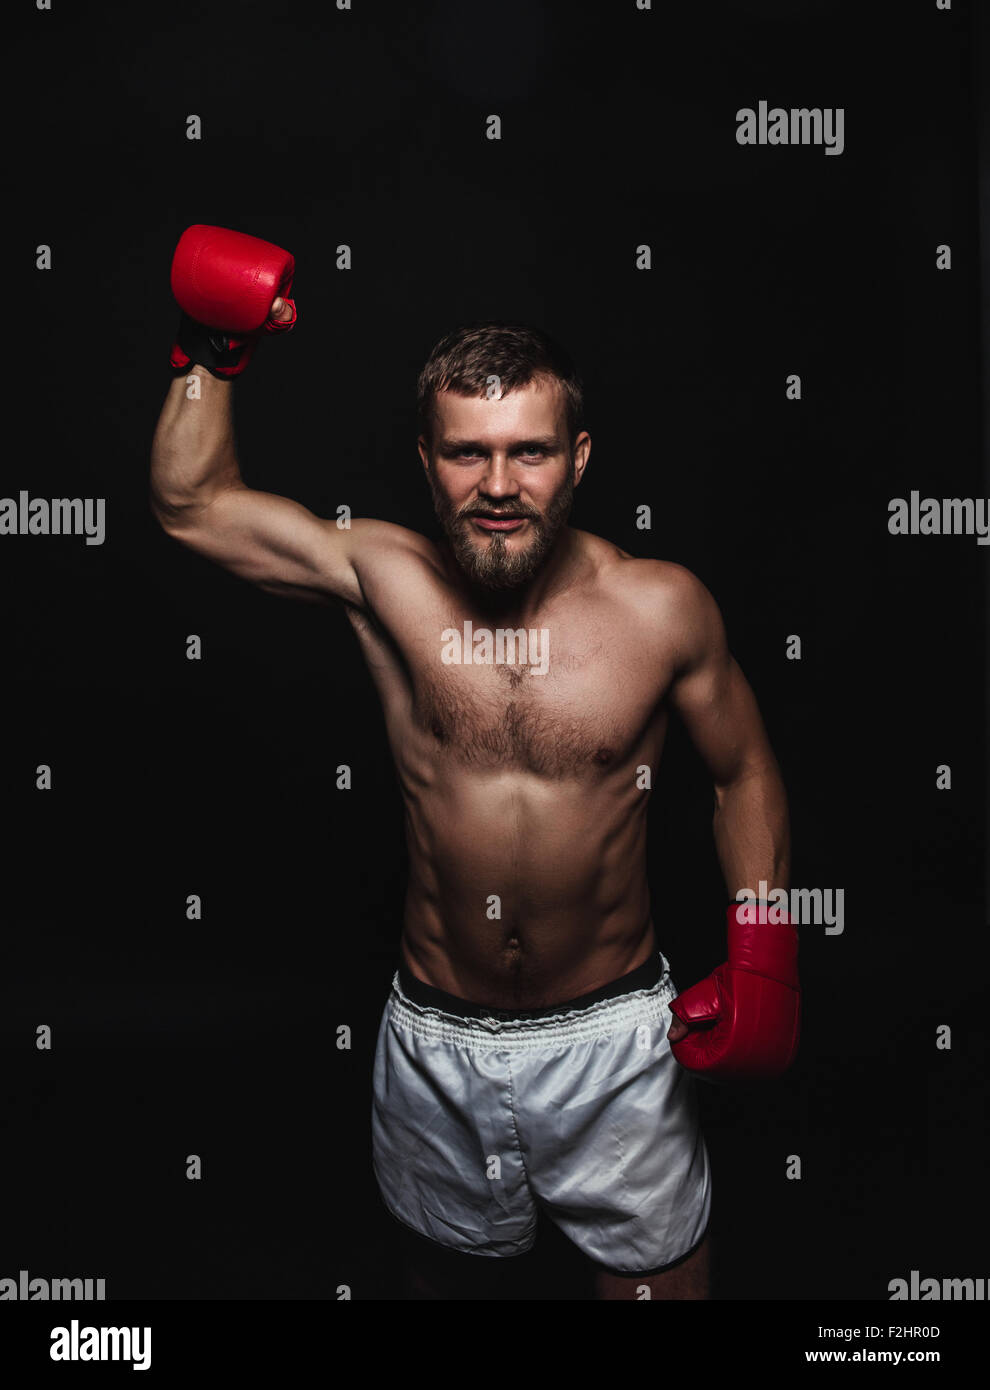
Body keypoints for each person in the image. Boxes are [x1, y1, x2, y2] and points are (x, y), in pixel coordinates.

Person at [151, 225, 800, 1301]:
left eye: (531, 452)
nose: (499, 485)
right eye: (467, 452)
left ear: (578, 459)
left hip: (615, 1049)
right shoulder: (383, 577)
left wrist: (765, 947)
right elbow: (192, 507)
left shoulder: (663, 607)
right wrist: (210, 352)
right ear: (426, 460)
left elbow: (748, 773)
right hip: (436, 1044)